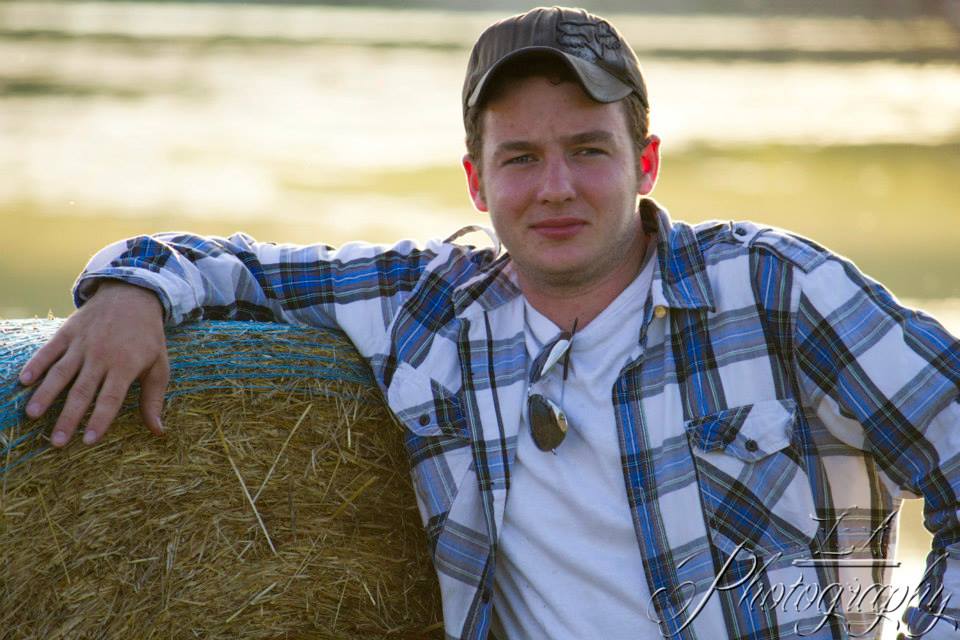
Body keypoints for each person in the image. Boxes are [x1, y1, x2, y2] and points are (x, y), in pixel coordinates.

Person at [16, 6, 960, 639]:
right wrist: (129, 295)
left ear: (647, 162)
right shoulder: (432, 307)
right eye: (520, 158)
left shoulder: (774, 288)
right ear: (476, 179)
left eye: (589, 149)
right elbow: (220, 261)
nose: (555, 187)